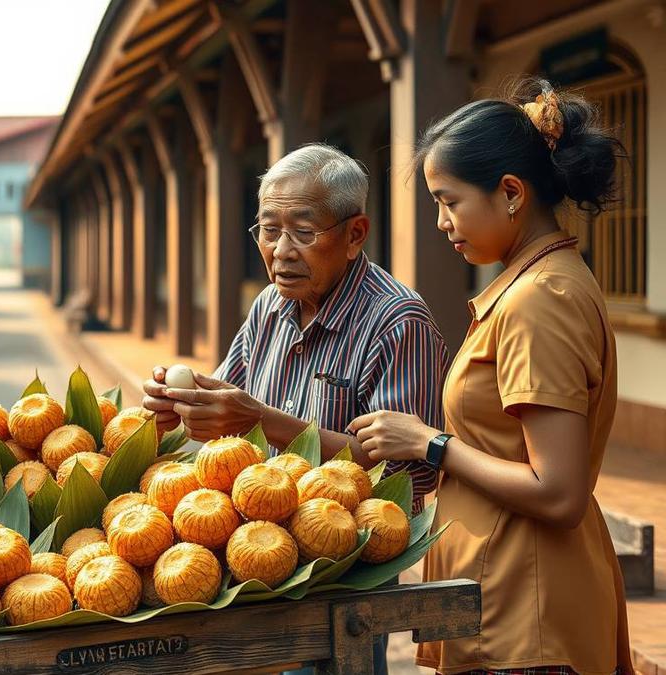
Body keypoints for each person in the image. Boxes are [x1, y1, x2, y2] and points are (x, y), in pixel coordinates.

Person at [349, 79, 633, 673]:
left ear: (509, 193)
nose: (441, 223)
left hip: (527, 617)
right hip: (508, 602)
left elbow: (558, 492)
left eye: (449, 201)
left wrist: (429, 443)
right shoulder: (532, 286)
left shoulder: (540, 299)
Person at [144, 143, 448, 673]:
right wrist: (185, 405)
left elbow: (403, 478)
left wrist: (261, 420)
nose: (281, 250)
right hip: (256, 560)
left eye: (303, 232)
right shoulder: (270, 305)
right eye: (268, 229)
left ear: (355, 235)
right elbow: (233, 408)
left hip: (336, 577)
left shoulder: (398, 322)